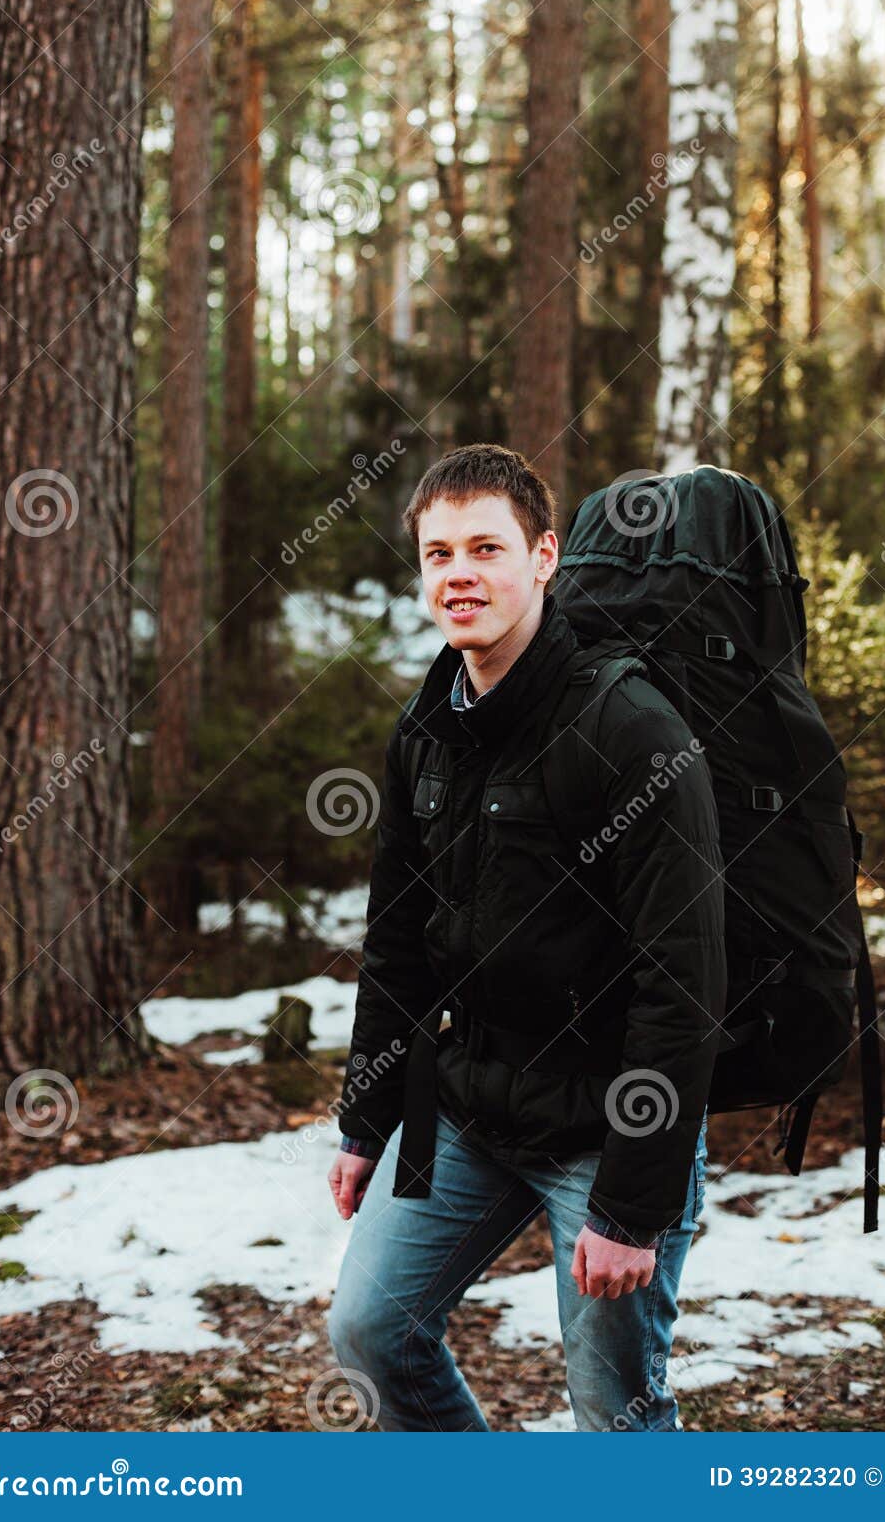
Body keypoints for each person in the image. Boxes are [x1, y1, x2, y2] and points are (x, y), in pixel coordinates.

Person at [326, 443, 726, 1431]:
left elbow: (684, 981)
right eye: (437, 553)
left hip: (605, 1122)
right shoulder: (426, 727)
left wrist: (632, 1204)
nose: (459, 573)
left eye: (485, 548)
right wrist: (365, 1120)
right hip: (457, 1098)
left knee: (611, 1410)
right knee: (369, 1332)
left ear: (543, 556)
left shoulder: (627, 727)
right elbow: (396, 941)